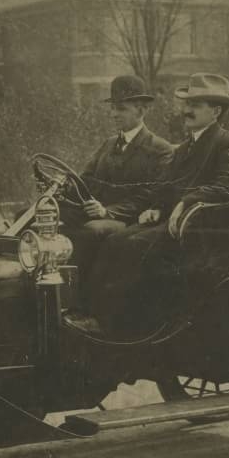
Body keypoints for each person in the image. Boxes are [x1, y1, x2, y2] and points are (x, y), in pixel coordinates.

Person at [65, 72, 229, 340]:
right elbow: (166, 186)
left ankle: (112, 323)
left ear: (216, 111)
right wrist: (157, 207)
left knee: (132, 245)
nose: (186, 110)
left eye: (195, 105)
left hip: (197, 228)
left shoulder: (228, 143)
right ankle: (91, 313)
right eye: (187, 104)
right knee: (115, 240)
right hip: (170, 220)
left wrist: (186, 202)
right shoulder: (184, 148)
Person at [61, 75, 175, 303]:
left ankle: (77, 301)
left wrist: (107, 211)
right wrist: (63, 187)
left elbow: (150, 196)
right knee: (39, 216)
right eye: (113, 108)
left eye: (121, 109)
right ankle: (37, 291)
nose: (113, 114)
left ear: (141, 110)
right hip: (96, 212)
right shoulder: (108, 144)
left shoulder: (160, 149)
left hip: (129, 220)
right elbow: (86, 180)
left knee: (91, 231)